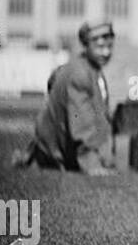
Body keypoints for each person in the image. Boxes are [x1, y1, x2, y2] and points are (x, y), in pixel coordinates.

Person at [15, 19, 117, 175]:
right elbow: (82, 123)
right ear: (86, 45)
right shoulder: (80, 73)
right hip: (55, 153)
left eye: (109, 46)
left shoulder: (85, 68)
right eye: (100, 47)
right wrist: (92, 164)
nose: (106, 52)